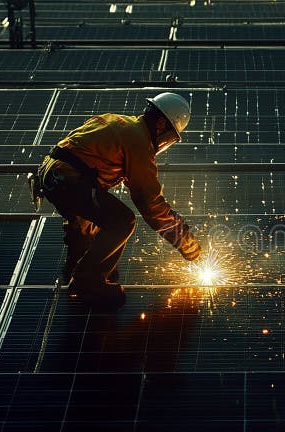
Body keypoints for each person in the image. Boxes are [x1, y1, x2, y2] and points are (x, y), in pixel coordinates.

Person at [36, 92, 201, 305]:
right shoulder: (139, 142)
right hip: (69, 178)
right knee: (122, 220)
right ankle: (87, 281)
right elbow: (151, 205)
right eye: (169, 137)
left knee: (91, 221)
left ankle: (78, 264)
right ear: (161, 124)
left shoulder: (119, 122)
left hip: (51, 173)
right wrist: (186, 243)